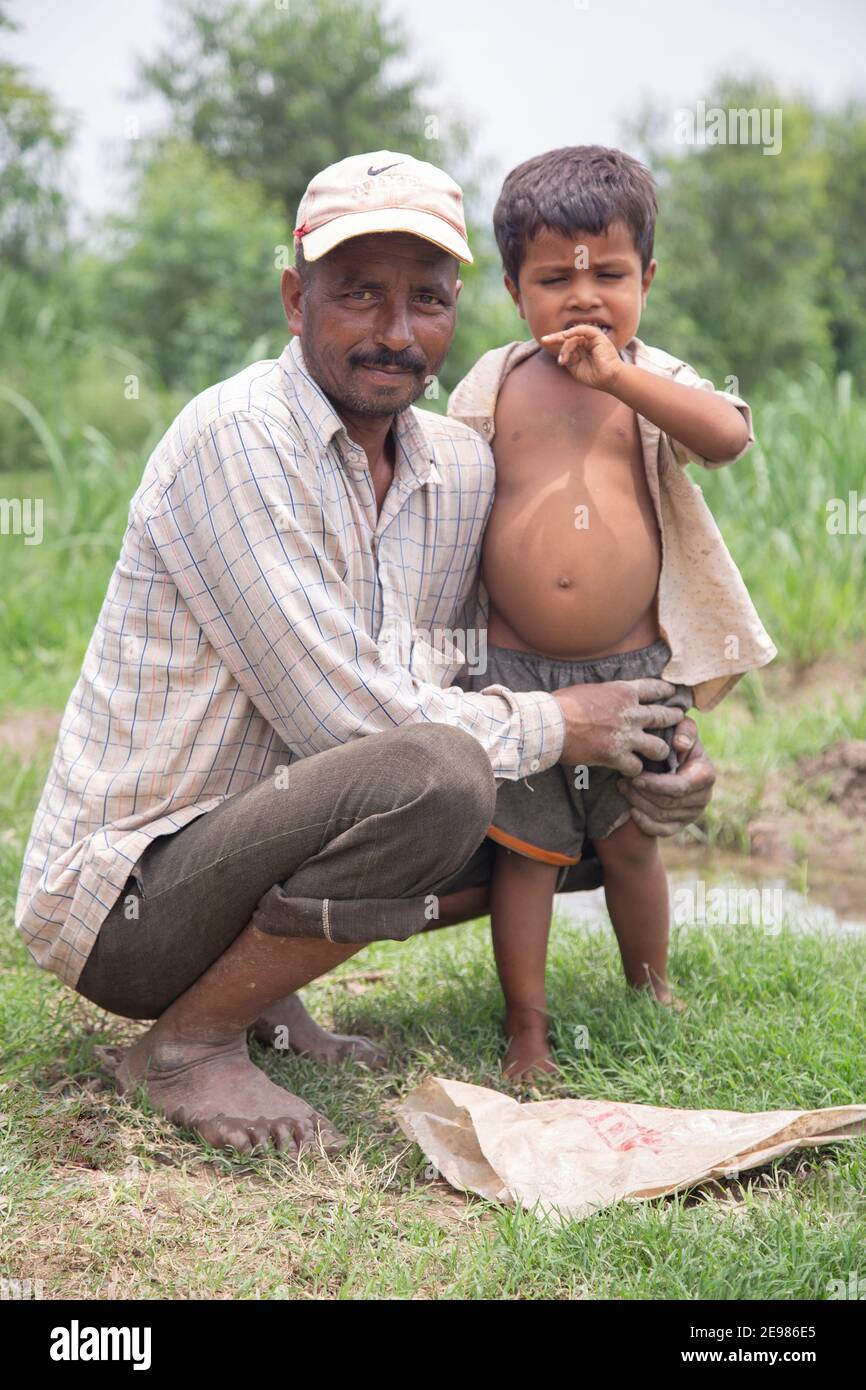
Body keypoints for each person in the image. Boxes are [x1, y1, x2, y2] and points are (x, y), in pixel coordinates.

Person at [16, 151, 719, 1155]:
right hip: (133, 903)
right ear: (296, 298)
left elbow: (492, 669)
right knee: (440, 773)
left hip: (254, 844)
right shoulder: (239, 437)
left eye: (425, 300)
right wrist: (567, 724)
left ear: (458, 309)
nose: (395, 333)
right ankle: (186, 1044)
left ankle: (267, 1003)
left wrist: (653, 742)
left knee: (554, 817)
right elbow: (345, 718)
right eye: (358, 295)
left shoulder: (453, 466)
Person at [448, 145, 776, 1079]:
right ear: (514, 290)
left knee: (635, 842)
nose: (583, 297)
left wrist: (619, 377)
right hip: (516, 679)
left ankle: (652, 988)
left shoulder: (652, 378)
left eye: (611, 275)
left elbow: (728, 437)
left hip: (635, 670)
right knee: (527, 857)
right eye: (554, 278)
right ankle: (527, 1029)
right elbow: (446, 484)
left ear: (648, 280)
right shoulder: (497, 382)